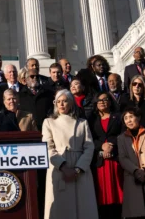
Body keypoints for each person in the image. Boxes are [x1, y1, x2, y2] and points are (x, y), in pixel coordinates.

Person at [42, 89, 98, 219]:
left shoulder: (82, 123)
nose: (61, 104)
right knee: (60, 210)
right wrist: (63, 167)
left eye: (65, 101)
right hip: (59, 169)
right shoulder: (49, 122)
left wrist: (78, 169)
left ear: (71, 103)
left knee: (83, 208)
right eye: (58, 101)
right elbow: (48, 147)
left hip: (80, 170)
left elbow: (89, 147)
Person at [88, 92, 122, 219]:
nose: (102, 102)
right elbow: (89, 138)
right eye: (99, 100)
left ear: (110, 101)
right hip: (100, 162)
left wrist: (111, 144)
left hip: (116, 160)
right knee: (102, 196)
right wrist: (102, 145)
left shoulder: (118, 117)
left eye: (105, 99)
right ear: (96, 104)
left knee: (118, 195)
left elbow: (123, 134)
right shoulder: (91, 120)